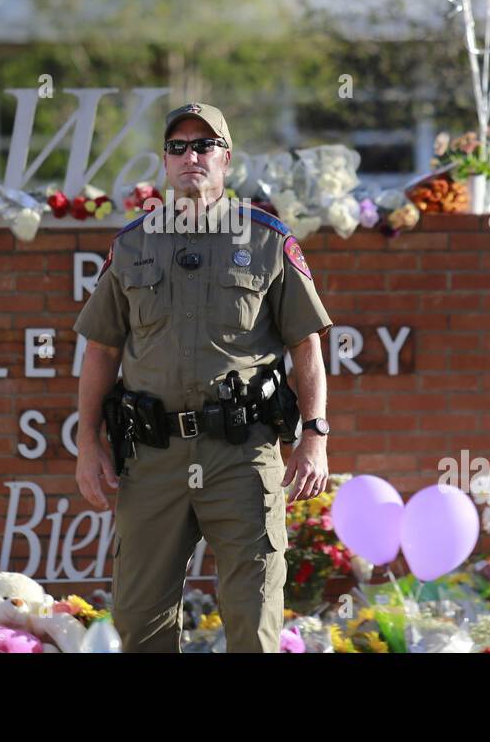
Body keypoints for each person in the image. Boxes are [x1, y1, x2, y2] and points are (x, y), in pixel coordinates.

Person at [72, 101, 333, 653]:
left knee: (252, 620)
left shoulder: (267, 240)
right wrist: (86, 441)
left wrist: (314, 436)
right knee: (139, 623)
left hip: (242, 455)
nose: (190, 156)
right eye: (177, 147)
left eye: (203, 146)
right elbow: (101, 349)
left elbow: (306, 343)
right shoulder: (133, 244)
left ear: (226, 159)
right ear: (165, 162)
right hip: (152, 456)